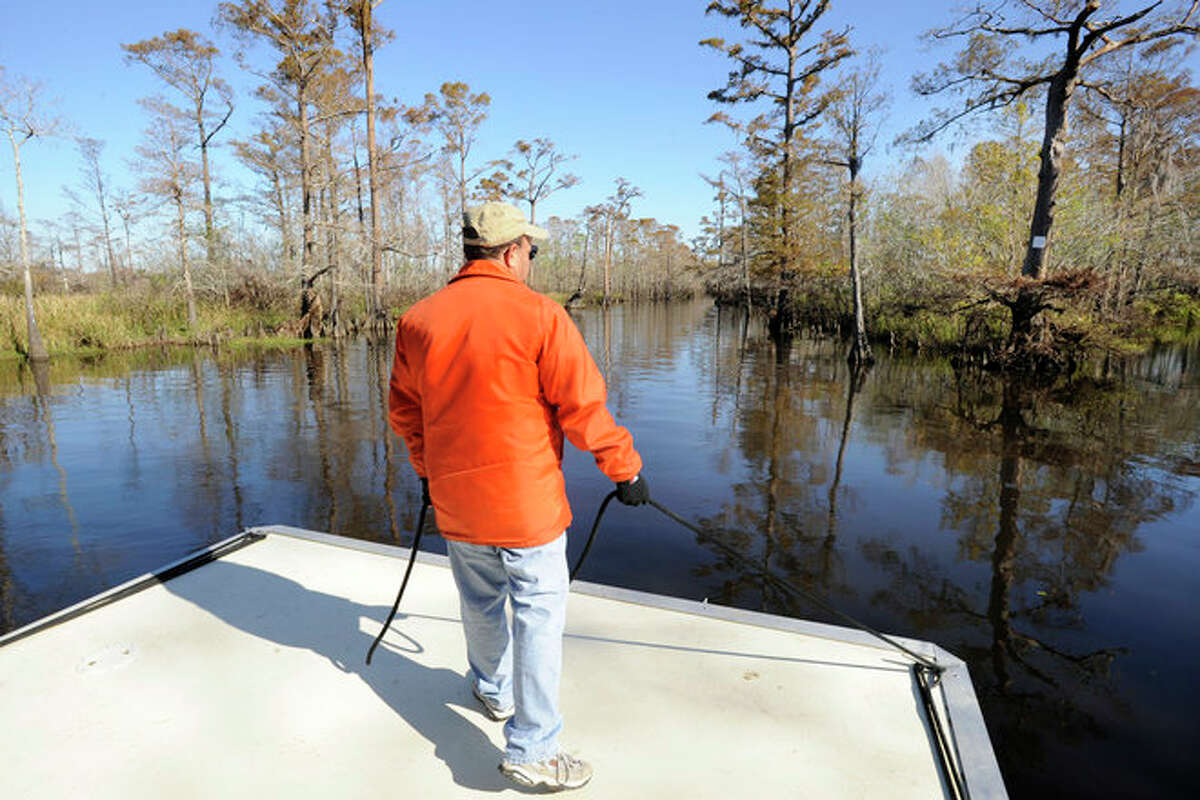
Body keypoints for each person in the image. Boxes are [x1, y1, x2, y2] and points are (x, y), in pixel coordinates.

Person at [387, 201, 650, 791]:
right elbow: (582, 408)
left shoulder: (418, 320)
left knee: (479, 603)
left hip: (457, 503)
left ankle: (491, 689)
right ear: (511, 253)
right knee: (537, 615)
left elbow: (405, 411)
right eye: (532, 250)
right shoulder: (540, 316)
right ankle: (533, 747)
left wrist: (428, 470)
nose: (533, 259)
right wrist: (625, 472)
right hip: (527, 507)